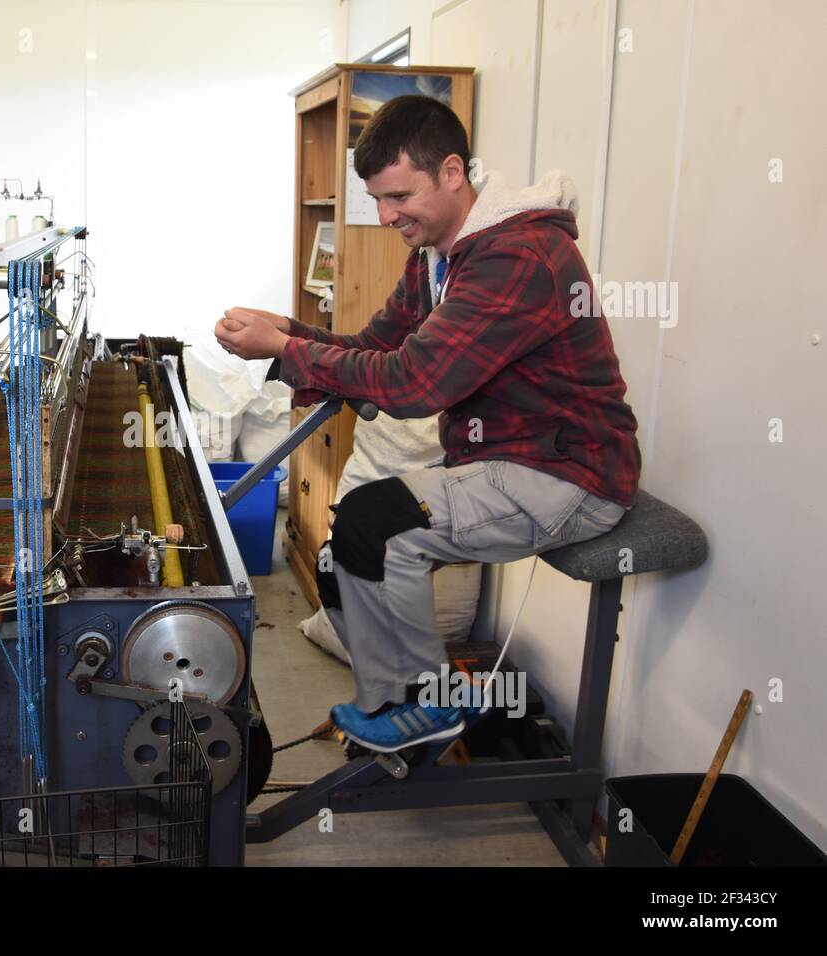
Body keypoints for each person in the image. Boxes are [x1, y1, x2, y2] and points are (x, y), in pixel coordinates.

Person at [214, 95, 641, 753]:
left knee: (377, 528)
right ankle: (396, 709)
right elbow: (379, 347)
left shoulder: (518, 256)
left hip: (570, 473)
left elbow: (414, 382)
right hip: (503, 460)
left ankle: (424, 706)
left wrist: (285, 352)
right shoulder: (438, 256)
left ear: (450, 172)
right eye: (377, 200)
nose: (386, 217)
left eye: (398, 197)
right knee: (341, 554)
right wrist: (286, 334)